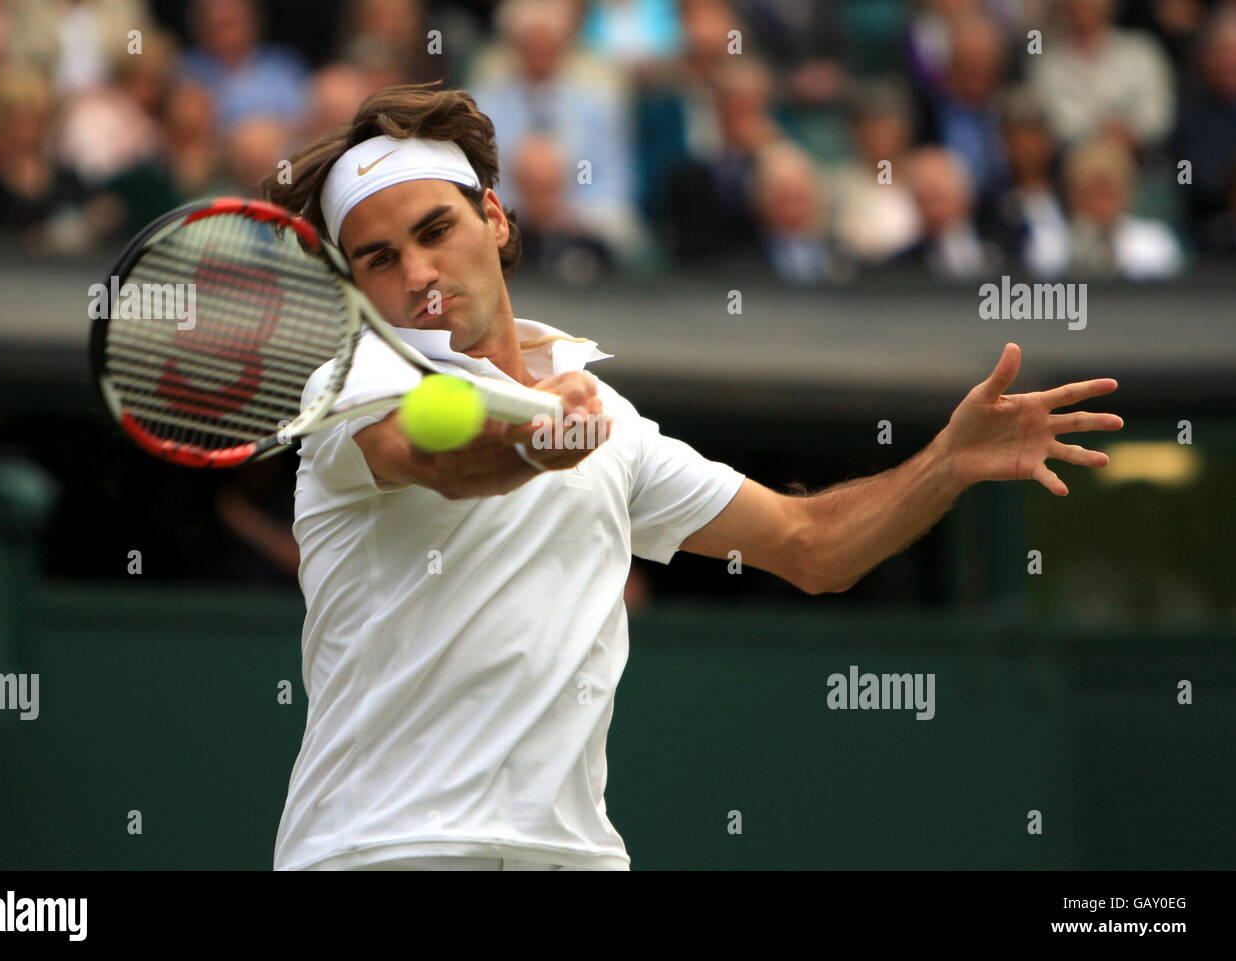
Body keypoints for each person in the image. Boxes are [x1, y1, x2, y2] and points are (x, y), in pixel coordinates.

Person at [264, 82, 1124, 871]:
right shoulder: (361, 377)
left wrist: (947, 461)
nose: (416, 275)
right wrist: (535, 444)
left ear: (491, 216)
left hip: (573, 856)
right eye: (378, 259)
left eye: (434, 231)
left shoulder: (612, 423)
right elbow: (437, 460)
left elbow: (811, 546)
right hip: (378, 848)